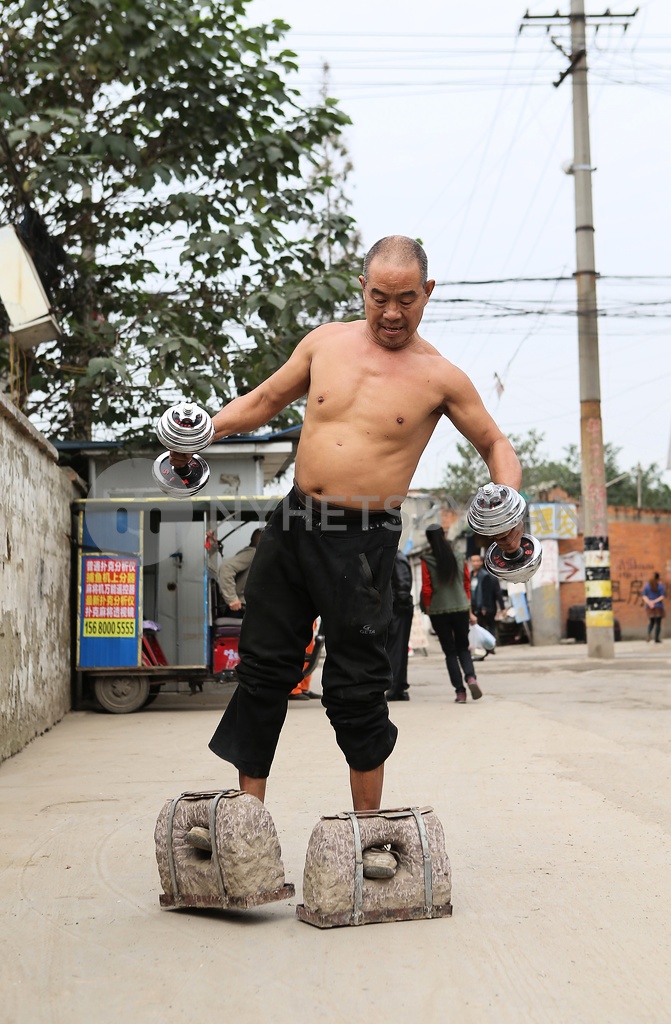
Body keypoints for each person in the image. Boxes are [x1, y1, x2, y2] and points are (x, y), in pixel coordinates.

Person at [170, 235, 523, 818]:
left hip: (363, 543)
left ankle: (368, 833)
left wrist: (509, 502)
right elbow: (261, 402)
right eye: (379, 296)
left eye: (406, 299)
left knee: (356, 687)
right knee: (263, 671)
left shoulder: (440, 377)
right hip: (293, 524)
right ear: (362, 287)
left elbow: (494, 441)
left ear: (427, 293)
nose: (391, 312)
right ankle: (246, 823)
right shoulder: (325, 343)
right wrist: (199, 432)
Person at [421, 525, 481, 703]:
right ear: (444, 535)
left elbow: (426, 588)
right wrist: (468, 607)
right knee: (463, 647)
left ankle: (460, 693)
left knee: (449, 652)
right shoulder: (459, 556)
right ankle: (470, 677)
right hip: (461, 607)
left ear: (428, 539)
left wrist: (429, 608)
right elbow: (466, 583)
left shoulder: (426, 559)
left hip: (439, 610)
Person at [385, 550, 414, 701]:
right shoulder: (397, 556)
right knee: (398, 650)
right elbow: (403, 585)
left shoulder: (390, 555)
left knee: (395, 649)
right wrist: (403, 603)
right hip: (398, 610)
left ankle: (398, 686)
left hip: (391, 607)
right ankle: (395, 687)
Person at [217, 528, 263, 615]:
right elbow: (226, 567)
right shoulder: (253, 553)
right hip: (240, 609)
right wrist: (232, 599)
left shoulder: (256, 555)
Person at [469, 552, 505, 640]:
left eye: (477, 561)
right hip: (475, 606)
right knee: (479, 627)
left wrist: (485, 607)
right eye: (473, 561)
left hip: (487, 607)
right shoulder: (470, 576)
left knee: (489, 626)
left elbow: (492, 593)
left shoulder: (486, 576)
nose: (475, 563)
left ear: (481, 562)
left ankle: (490, 646)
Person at [642, 571, 666, 643]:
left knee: (651, 622)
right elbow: (662, 596)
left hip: (649, 607)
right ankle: (656, 638)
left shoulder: (647, 585)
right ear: (658, 578)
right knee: (658, 623)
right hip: (658, 606)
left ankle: (648, 634)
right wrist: (654, 602)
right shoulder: (660, 585)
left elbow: (644, 596)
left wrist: (650, 602)